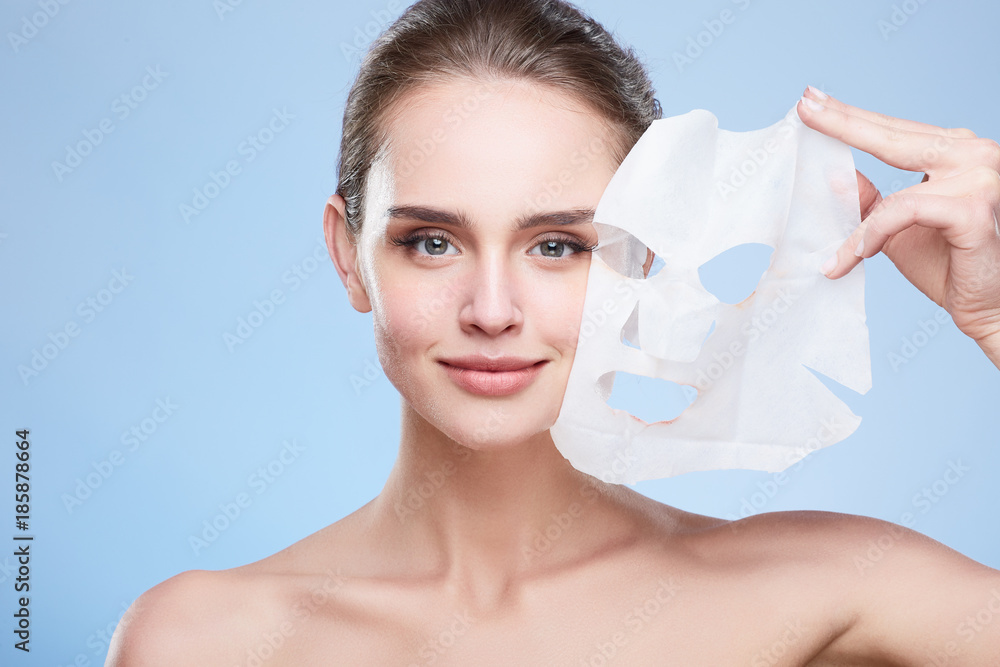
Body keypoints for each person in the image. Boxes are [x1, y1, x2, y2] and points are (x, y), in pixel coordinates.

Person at [107, 0, 1000, 664]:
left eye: (557, 245)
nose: (492, 309)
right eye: (431, 241)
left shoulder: (826, 588)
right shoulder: (203, 638)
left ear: (646, 256)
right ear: (349, 256)